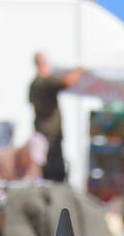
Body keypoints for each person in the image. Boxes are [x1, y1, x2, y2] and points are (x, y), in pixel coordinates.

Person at [29, 53, 83, 184]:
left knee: (46, 169)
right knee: (55, 171)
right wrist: (80, 69)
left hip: (41, 133)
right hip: (51, 133)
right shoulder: (45, 81)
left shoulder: (34, 84)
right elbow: (67, 82)